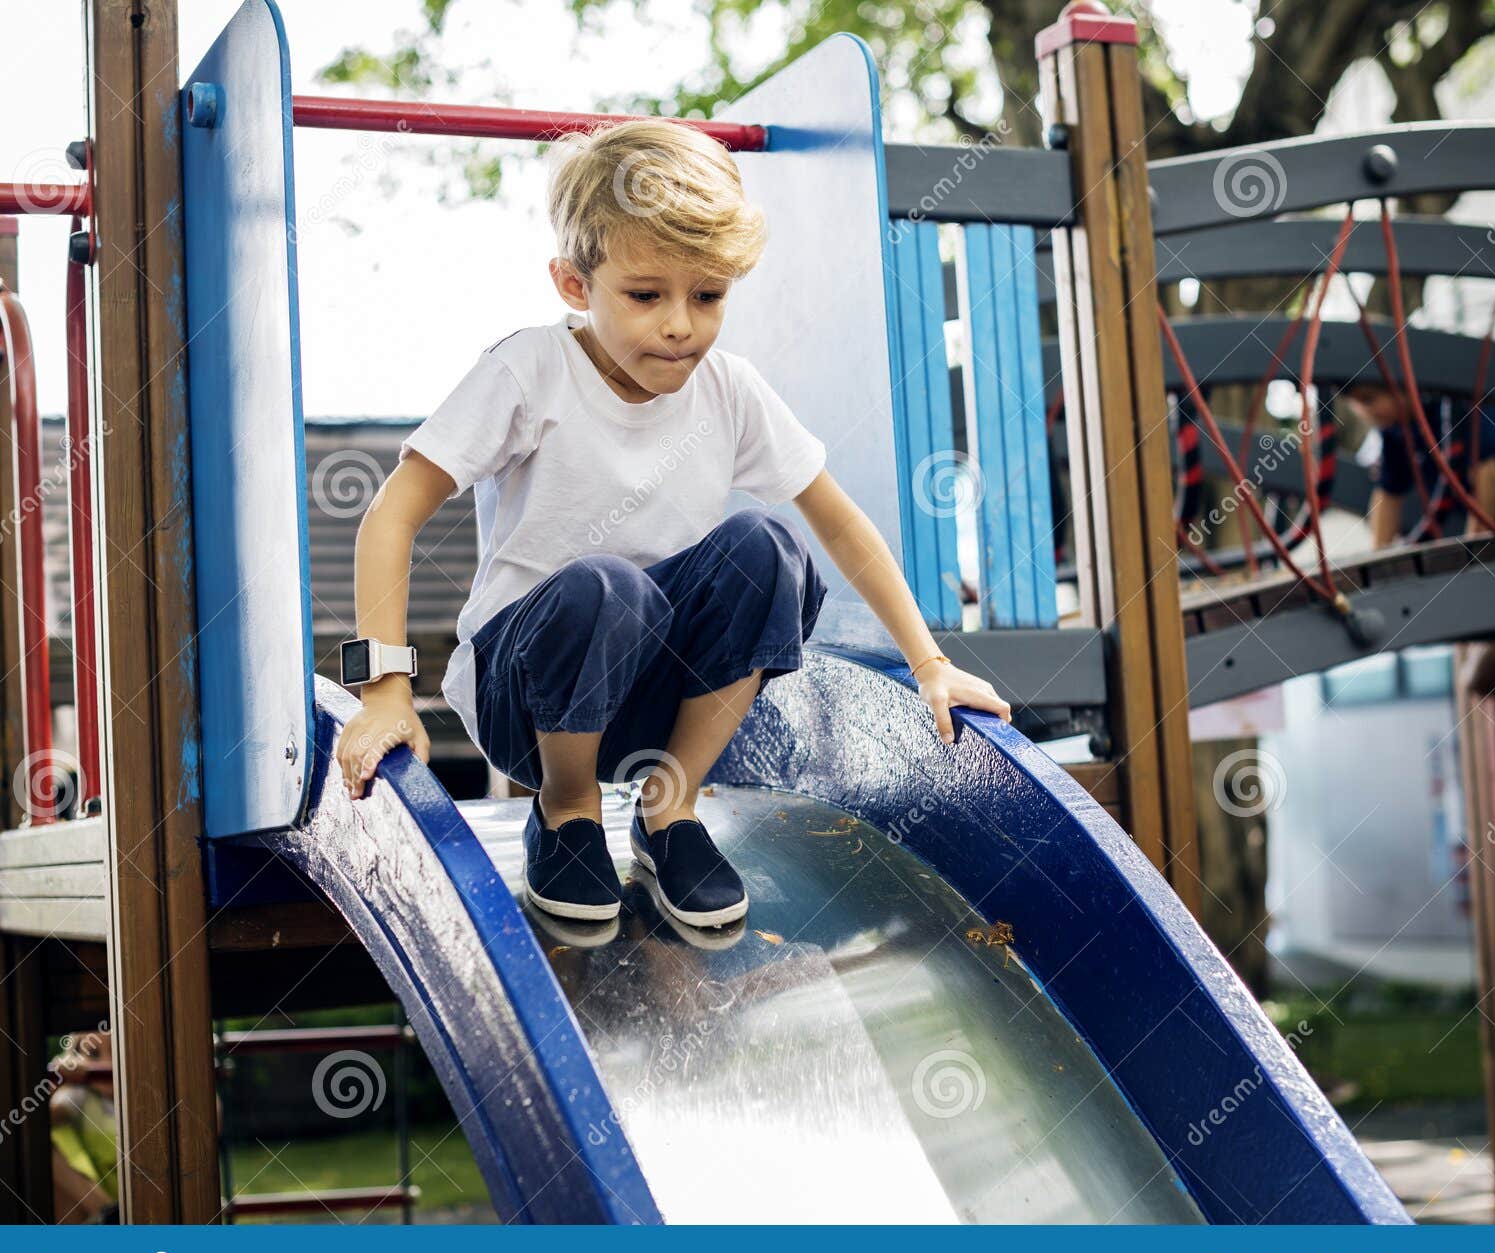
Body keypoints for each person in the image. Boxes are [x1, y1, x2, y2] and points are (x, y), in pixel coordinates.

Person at [333, 120, 1011, 929]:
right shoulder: (530, 370)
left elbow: (838, 523)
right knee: (608, 587)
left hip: (656, 698)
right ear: (574, 285)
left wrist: (929, 661)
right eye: (646, 295)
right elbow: (392, 512)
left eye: (709, 295)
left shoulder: (729, 389)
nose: (680, 324)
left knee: (768, 545)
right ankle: (567, 809)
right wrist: (383, 692)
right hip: (527, 692)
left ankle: (670, 804)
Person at [1348, 383, 1495, 549]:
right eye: (1355, 404)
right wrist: (1378, 555)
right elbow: (1388, 494)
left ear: (1402, 387)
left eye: (1369, 399)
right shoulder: (1395, 430)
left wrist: (1474, 554)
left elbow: (1487, 478)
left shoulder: (1456, 404)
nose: (1364, 412)